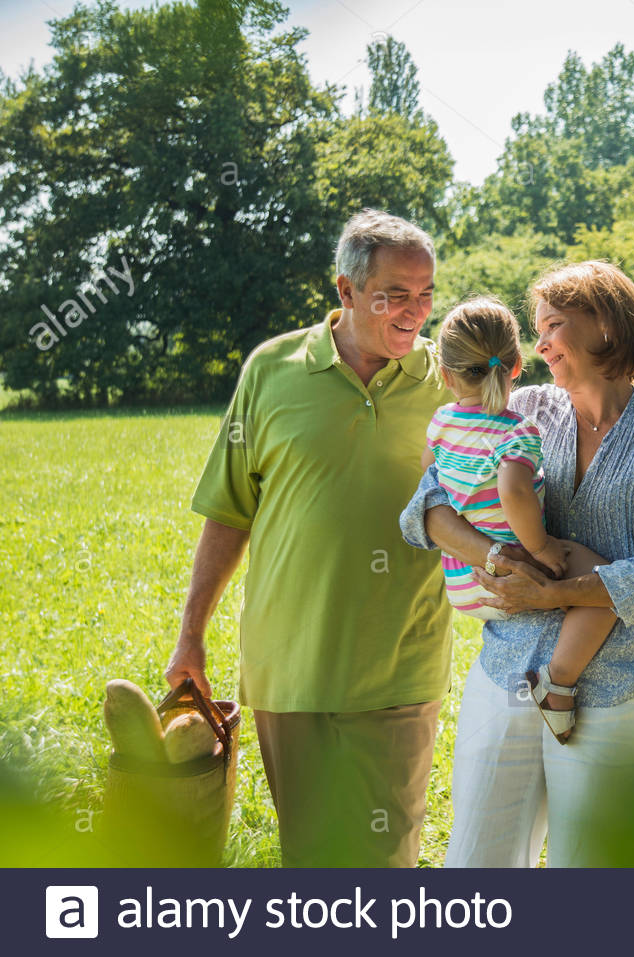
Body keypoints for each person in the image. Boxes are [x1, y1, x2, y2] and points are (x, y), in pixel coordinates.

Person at [164, 209, 457, 867]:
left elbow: (544, 425)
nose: (416, 311)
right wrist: (191, 636)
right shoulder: (272, 371)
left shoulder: (450, 380)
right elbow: (229, 511)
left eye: (427, 293)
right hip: (287, 669)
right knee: (311, 858)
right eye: (395, 294)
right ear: (346, 290)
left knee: (384, 858)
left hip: (399, 665)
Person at [400, 260, 634, 867]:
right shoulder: (529, 408)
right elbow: (427, 505)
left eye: (553, 326)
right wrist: (492, 554)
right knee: (476, 861)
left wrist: (556, 594)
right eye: (535, 330)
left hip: (612, 685)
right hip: (505, 667)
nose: (538, 345)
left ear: (605, 326)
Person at [424, 295, 618, 743]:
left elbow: (428, 476)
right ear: (515, 365)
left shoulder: (440, 423)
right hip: (514, 569)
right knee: (608, 585)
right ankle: (558, 683)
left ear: (446, 374)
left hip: (463, 578)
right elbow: (512, 490)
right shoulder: (516, 429)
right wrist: (541, 548)